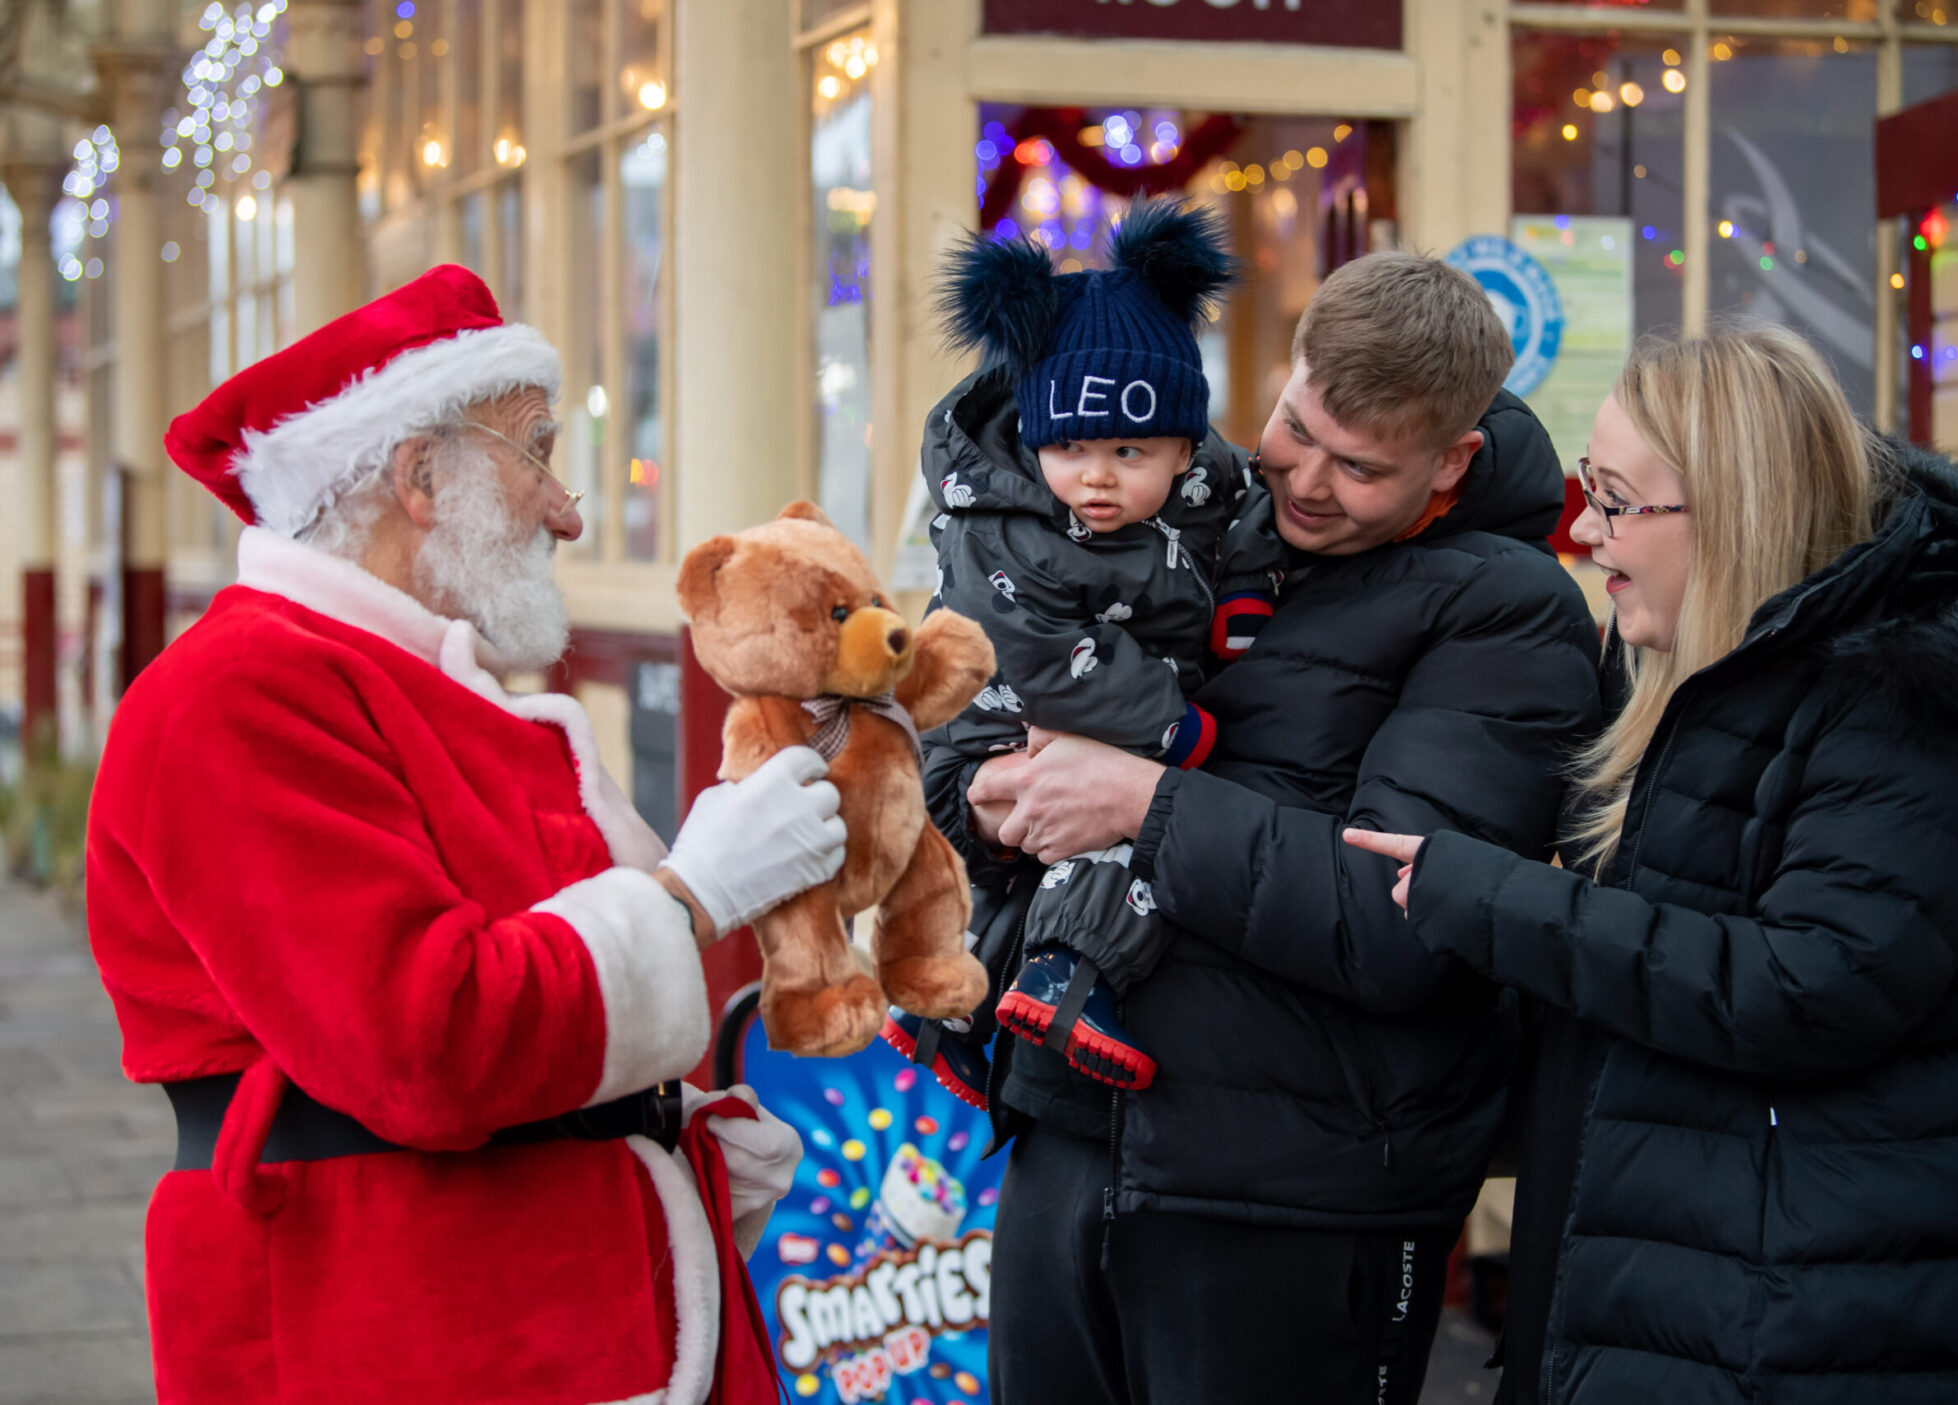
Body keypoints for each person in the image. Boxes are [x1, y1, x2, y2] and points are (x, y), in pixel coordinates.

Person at [85, 265, 848, 1404]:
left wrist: (670, 1126)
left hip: (521, 1317)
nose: (568, 508)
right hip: (384, 1322)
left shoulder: (412, 686)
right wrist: (688, 896)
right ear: (420, 478)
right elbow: (420, 1041)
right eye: (535, 450)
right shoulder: (235, 695)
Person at [936, 252, 1604, 1403]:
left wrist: (1141, 803)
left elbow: (1408, 921)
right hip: (1074, 1137)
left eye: (1360, 468)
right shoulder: (1189, 510)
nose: (1303, 482)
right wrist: (985, 800)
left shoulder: (1505, 610)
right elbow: (980, 703)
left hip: (1295, 1195)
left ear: (1452, 461)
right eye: (1295, 427)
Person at [1346, 322, 1958, 1404]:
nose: (1586, 530)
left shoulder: (1911, 699)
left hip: (1829, 1313)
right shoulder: (1684, 670)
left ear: (1733, 508)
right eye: (1587, 487)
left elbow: (1809, 986)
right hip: (1697, 1285)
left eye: (1620, 499)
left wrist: (1498, 902)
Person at [884, 200, 1277, 1098]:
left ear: (1184, 449)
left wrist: (1245, 596)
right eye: (1068, 447)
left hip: (1101, 696)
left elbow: (1254, 505)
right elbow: (1032, 653)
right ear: (1032, 434)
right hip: (1000, 711)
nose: (1095, 476)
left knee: (1080, 830)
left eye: (1128, 450)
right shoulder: (1003, 526)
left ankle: (951, 1012)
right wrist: (1170, 726)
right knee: (1108, 827)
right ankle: (1067, 981)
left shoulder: (1215, 480)